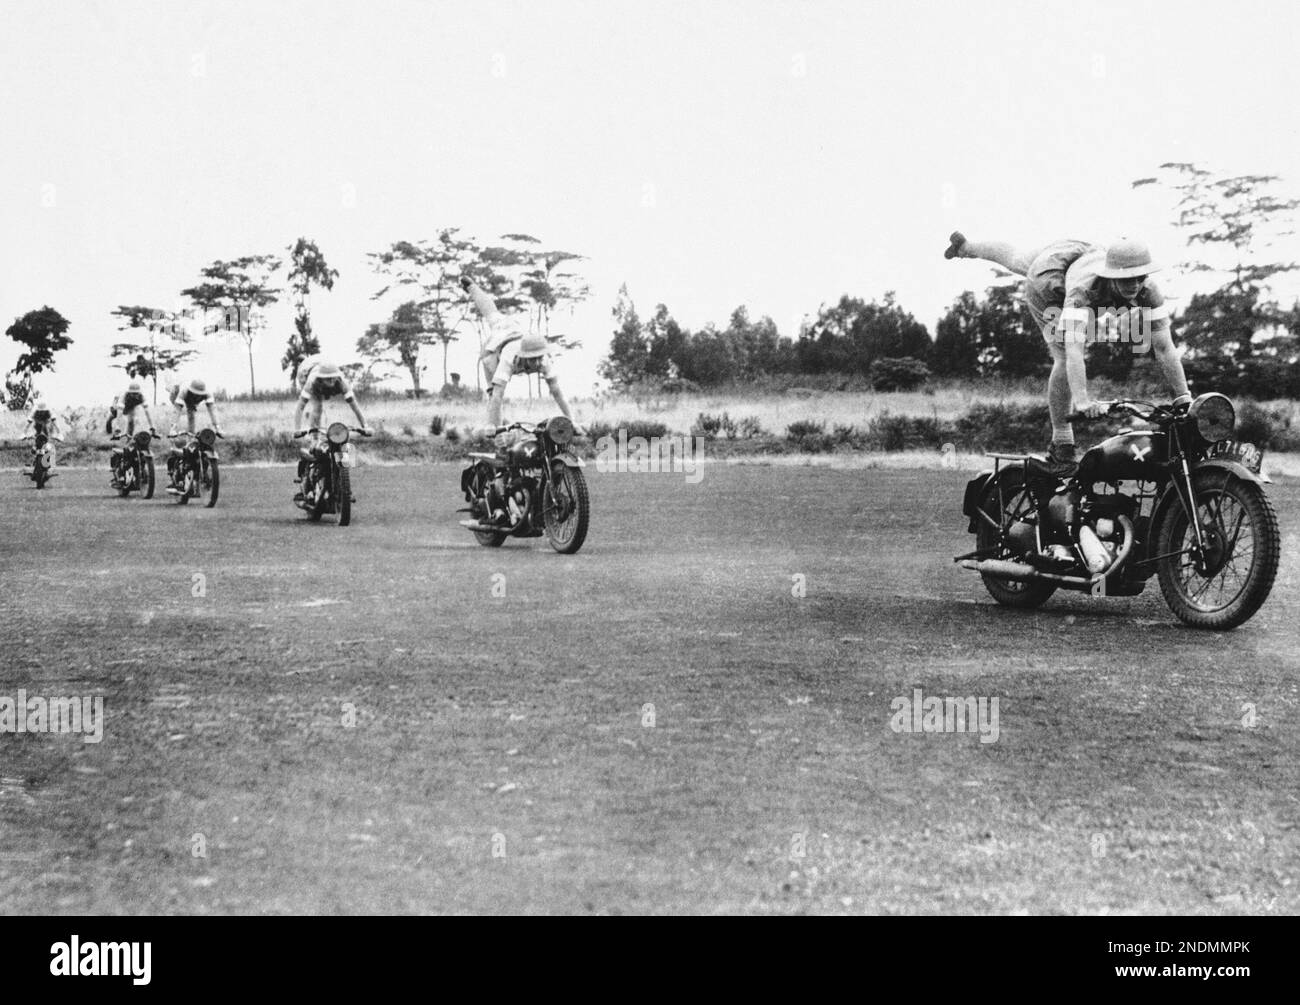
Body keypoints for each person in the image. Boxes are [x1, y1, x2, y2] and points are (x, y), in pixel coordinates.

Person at [945, 232, 1191, 477]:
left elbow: (1164, 348)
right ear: (1112, 274)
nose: (1134, 285)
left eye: (1139, 278)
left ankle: (965, 247)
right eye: (1127, 279)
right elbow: (1075, 352)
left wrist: (1184, 398)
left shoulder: (1147, 291)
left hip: (1080, 253)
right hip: (1050, 282)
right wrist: (1082, 399)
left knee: (1017, 258)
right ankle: (1062, 443)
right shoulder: (1082, 293)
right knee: (1062, 355)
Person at [460, 277, 581, 441]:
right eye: (533, 359)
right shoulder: (509, 357)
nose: (537, 362)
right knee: (493, 398)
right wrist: (492, 425)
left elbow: (557, 391)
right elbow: (498, 395)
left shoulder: (543, 359)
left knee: (493, 314)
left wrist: (572, 421)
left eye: (539, 358)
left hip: (514, 329)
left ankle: (472, 287)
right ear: (524, 357)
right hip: (493, 352)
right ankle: (472, 287)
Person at [292, 357, 371, 501]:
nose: (331, 382)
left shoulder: (341, 382)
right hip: (305, 370)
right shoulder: (312, 382)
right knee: (318, 407)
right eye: (327, 379)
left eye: (332, 379)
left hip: (319, 362)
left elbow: (354, 406)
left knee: (345, 445)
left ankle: (345, 487)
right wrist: (297, 428)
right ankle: (314, 441)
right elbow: (300, 407)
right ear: (320, 379)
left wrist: (365, 426)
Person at [107, 380, 155, 487]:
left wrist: (152, 426)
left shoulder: (141, 397)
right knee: (114, 414)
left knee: (131, 420)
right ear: (129, 392)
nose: (134, 395)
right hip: (118, 406)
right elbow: (119, 413)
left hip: (130, 407)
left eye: (136, 393)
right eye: (132, 393)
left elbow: (147, 412)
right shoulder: (123, 395)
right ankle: (109, 421)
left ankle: (128, 440)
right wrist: (118, 428)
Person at [23, 391, 63, 479]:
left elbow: (55, 422)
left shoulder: (50, 411)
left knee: (50, 448)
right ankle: (33, 464)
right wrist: (24, 433)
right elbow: (28, 422)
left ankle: (51, 466)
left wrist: (59, 433)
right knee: (34, 446)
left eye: (43, 411)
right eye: (40, 412)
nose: (41, 413)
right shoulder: (34, 411)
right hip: (37, 428)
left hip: (48, 429)